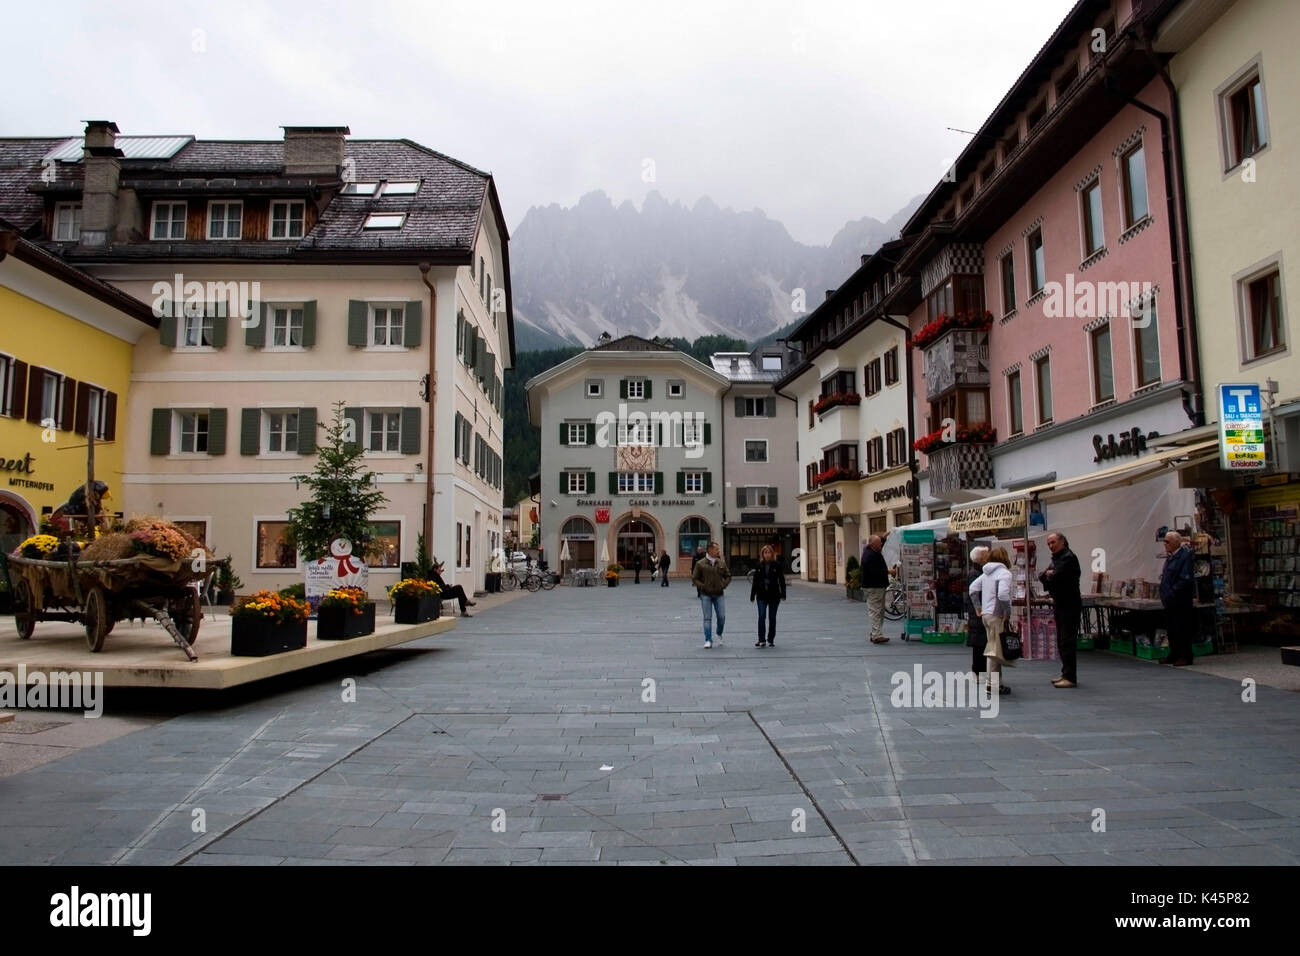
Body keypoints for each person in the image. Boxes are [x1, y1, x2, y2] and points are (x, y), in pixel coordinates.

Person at [1039, 531, 1082, 688]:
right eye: (1048, 543)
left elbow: (1057, 576)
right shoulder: (1057, 559)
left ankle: (1070, 677)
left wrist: (1051, 575)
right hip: (1060, 603)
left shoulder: (1068, 558)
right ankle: (1065, 673)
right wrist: (1049, 574)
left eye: (1053, 542)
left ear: (1062, 542)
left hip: (1069, 604)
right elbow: (1042, 576)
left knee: (1067, 641)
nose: (1051, 546)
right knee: (1061, 641)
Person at [970, 545, 1014, 694]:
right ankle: (992, 684)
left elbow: (972, 589)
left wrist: (978, 607)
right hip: (996, 615)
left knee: (994, 648)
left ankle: (997, 683)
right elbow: (1002, 594)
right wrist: (1007, 611)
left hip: (985, 614)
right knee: (994, 652)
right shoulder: (1004, 573)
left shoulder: (986, 573)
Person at [1160, 531, 1196, 666]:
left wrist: (1173, 591)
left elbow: (1185, 578)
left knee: (1182, 628)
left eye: (1167, 541)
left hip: (1180, 599)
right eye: (1164, 541)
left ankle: (1185, 656)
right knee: (1172, 629)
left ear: (1176, 542)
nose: (1164, 544)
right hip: (1170, 600)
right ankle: (1174, 654)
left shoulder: (1184, 556)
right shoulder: (1171, 557)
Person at [691, 540, 731, 648]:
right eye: (716, 549)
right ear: (710, 550)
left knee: (721, 617)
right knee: (707, 618)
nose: (718, 551)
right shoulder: (700, 563)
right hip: (706, 595)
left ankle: (719, 633)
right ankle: (708, 639)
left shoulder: (721, 563)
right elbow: (694, 578)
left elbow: (728, 576)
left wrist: (723, 585)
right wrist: (702, 586)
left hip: (719, 594)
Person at [750, 544, 786, 647]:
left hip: (774, 595)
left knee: (772, 618)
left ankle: (770, 638)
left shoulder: (777, 565)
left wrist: (783, 594)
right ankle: (761, 639)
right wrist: (752, 595)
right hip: (761, 595)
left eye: (769, 552)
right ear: (762, 554)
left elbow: (781, 580)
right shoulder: (759, 565)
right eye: (765, 552)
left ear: (772, 554)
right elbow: (755, 581)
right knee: (761, 616)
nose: (767, 554)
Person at [965, 546, 990, 684]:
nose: (988, 556)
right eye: (986, 555)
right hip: (978, 613)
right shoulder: (976, 574)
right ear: (980, 558)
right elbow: (975, 593)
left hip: (978, 612)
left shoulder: (978, 572)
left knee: (981, 643)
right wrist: (978, 609)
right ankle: (978, 671)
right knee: (980, 644)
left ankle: (980, 671)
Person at [861, 534, 890, 644]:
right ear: (873, 545)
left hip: (877, 586)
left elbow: (877, 543)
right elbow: (875, 571)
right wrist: (888, 572)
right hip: (874, 587)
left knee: (879, 611)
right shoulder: (869, 556)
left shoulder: (871, 551)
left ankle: (876, 633)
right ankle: (876, 635)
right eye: (879, 543)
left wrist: (883, 537)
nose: (881, 544)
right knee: (875, 611)